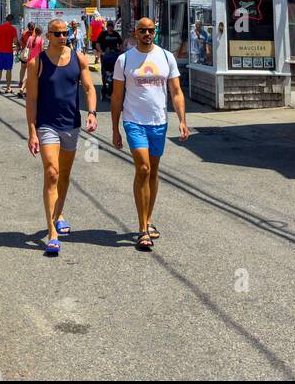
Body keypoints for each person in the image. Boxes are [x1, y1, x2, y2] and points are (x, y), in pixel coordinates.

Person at [111, 17, 189, 252]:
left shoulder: (166, 57)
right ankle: (142, 228)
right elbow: (116, 98)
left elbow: (176, 91)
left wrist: (182, 120)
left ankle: (149, 218)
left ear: (155, 32)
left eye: (151, 30)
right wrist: (115, 129)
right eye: (143, 30)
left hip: (159, 122)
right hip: (134, 121)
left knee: (153, 171)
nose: (147, 33)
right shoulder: (124, 60)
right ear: (135, 33)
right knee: (143, 168)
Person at [25, 18, 97, 256]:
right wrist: (32, 131)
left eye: (65, 33)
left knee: (64, 174)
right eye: (57, 34)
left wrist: (92, 113)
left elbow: (88, 88)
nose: (62, 37)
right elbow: (32, 99)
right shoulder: (38, 62)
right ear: (48, 35)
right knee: (52, 172)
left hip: (71, 124)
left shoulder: (78, 58)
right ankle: (52, 233)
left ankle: (59, 214)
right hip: (47, 124)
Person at [96, 19, 124, 102]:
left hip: (115, 56)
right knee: (105, 72)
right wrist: (102, 52)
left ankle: (112, 88)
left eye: (111, 26)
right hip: (105, 56)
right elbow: (97, 44)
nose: (110, 27)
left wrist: (120, 52)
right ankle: (104, 86)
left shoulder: (116, 34)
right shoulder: (103, 34)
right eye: (109, 26)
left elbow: (121, 44)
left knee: (115, 72)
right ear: (107, 26)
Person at [0, 14, 18, 94]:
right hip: (8, 52)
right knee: (9, 70)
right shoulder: (13, 29)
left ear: (6, 19)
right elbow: (15, 41)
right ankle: (8, 87)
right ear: (12, 21)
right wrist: (18, 45)